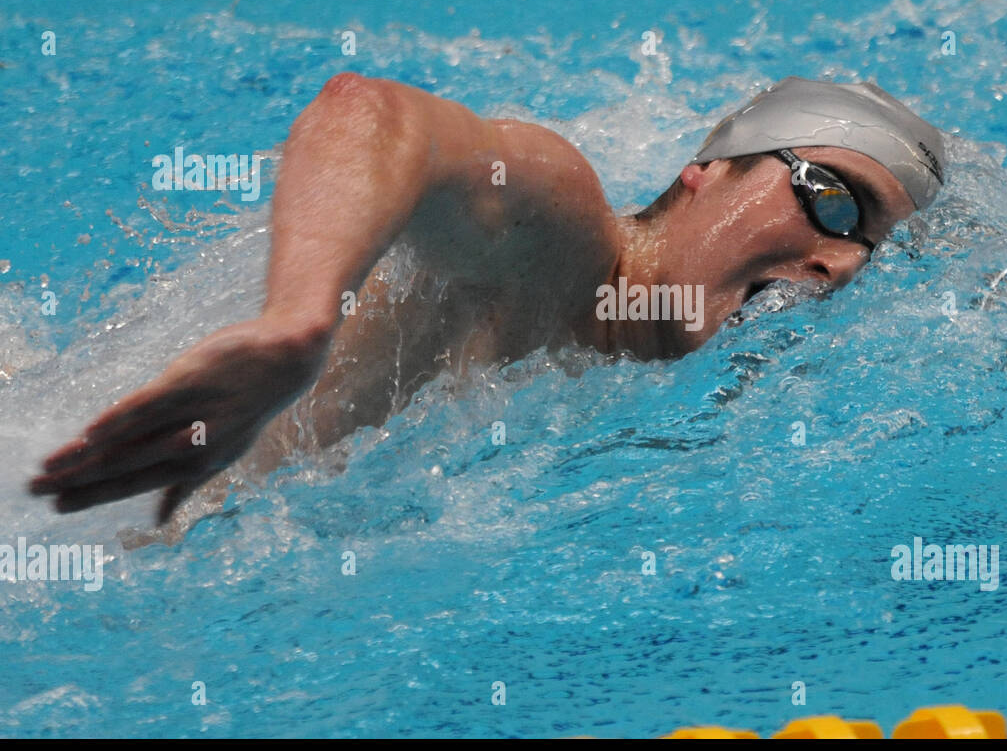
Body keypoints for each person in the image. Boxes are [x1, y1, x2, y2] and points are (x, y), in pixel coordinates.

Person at [28, 74, 946, 526]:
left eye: (869, 244)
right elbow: (370, 114)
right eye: (831, 199)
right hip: (62, 493)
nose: (841, 264)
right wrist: (297, 323)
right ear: (704, 172)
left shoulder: (698, 407)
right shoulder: (560, 230)